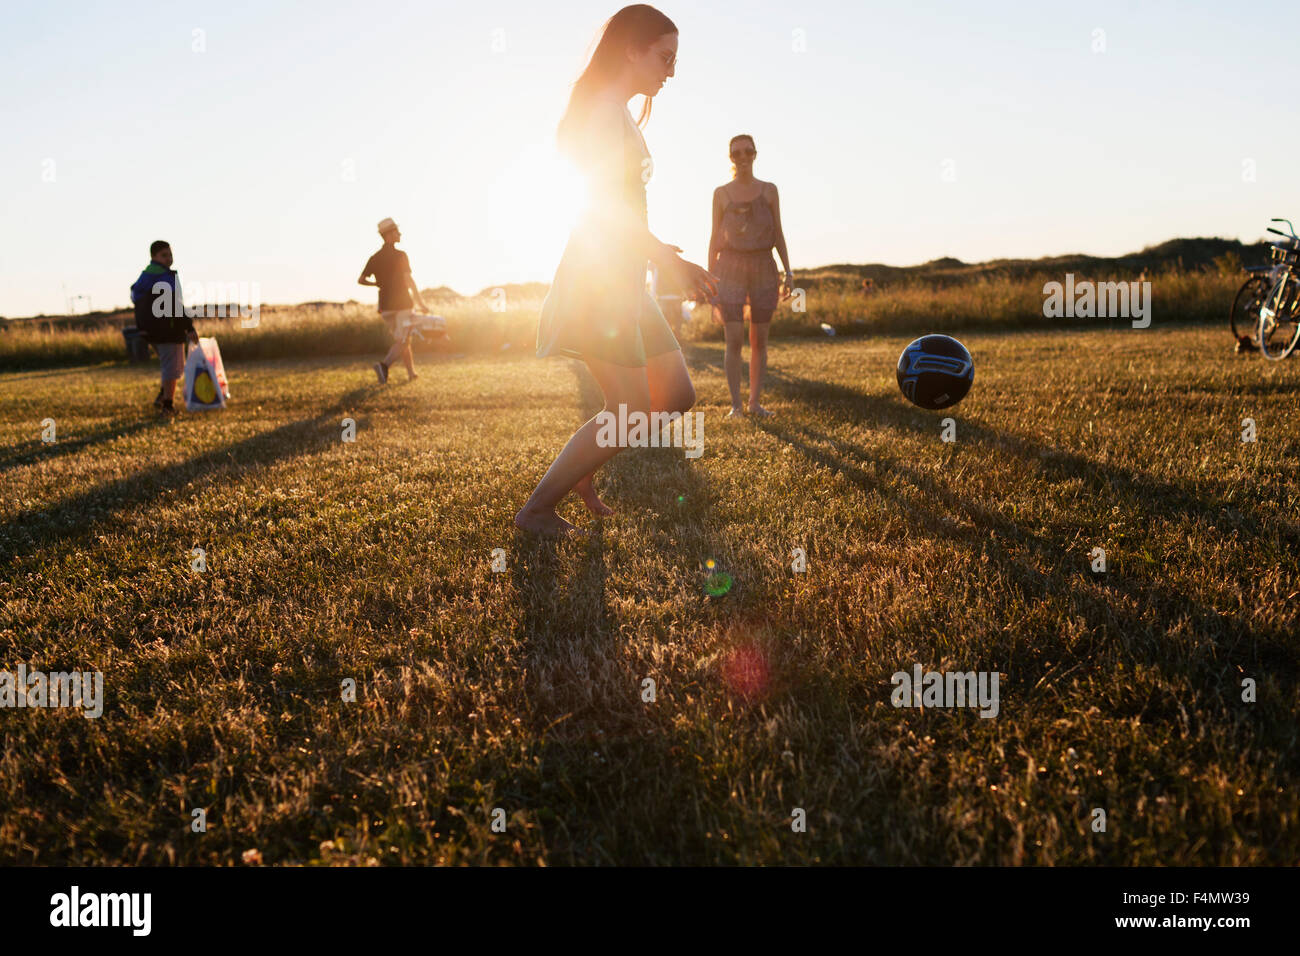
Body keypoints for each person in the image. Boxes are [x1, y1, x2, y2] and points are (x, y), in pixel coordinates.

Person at [516, 4, 717, 537]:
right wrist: (667, 259)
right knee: (627, 408)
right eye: (664, 56)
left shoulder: (623, 111)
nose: (671, 70)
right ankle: (537, 511)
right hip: (599, 275)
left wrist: (656, 254)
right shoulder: (603, 110)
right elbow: (603, 206)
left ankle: (582, 470)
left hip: (625, 273)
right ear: (631, 49)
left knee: (674, 396)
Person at [707, 134, 793, 417]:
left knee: (760, 339)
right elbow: (714, 238)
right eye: (736, 154)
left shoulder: (769, 191)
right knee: (733, 338)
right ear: (730, 158)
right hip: (729, 268)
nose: (742, 157)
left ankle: (755, 402)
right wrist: (710, 278)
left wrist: (788, 271)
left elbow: (778, 232)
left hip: (764, 266)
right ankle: (736, 405)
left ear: (755, 154)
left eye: (747, 152)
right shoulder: (721, 193)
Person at [358, 218, 431, 383]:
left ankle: (411, 373)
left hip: (385, 308)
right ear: (389, 235)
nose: (400, 234)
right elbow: (409, 280)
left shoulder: (375, 258)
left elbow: (361, 280)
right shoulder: (400, 255)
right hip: (402, 305)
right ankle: (384, 366)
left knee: (402, 339)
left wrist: (376, 283)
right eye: (397, 231)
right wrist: (420, 303)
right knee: (403, 340)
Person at [130, 240, 197, 414]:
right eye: (164, 255)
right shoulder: (164, 277)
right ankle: (167, 404)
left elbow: (136, 297)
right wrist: (189, 327)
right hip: (169, 329)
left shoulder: (145, 277)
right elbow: (176, 305)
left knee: (169, 365)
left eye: (170, 255)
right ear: (154, 256)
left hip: (150, 330)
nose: (169, 259)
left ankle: (162, 396)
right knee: (173, 367)